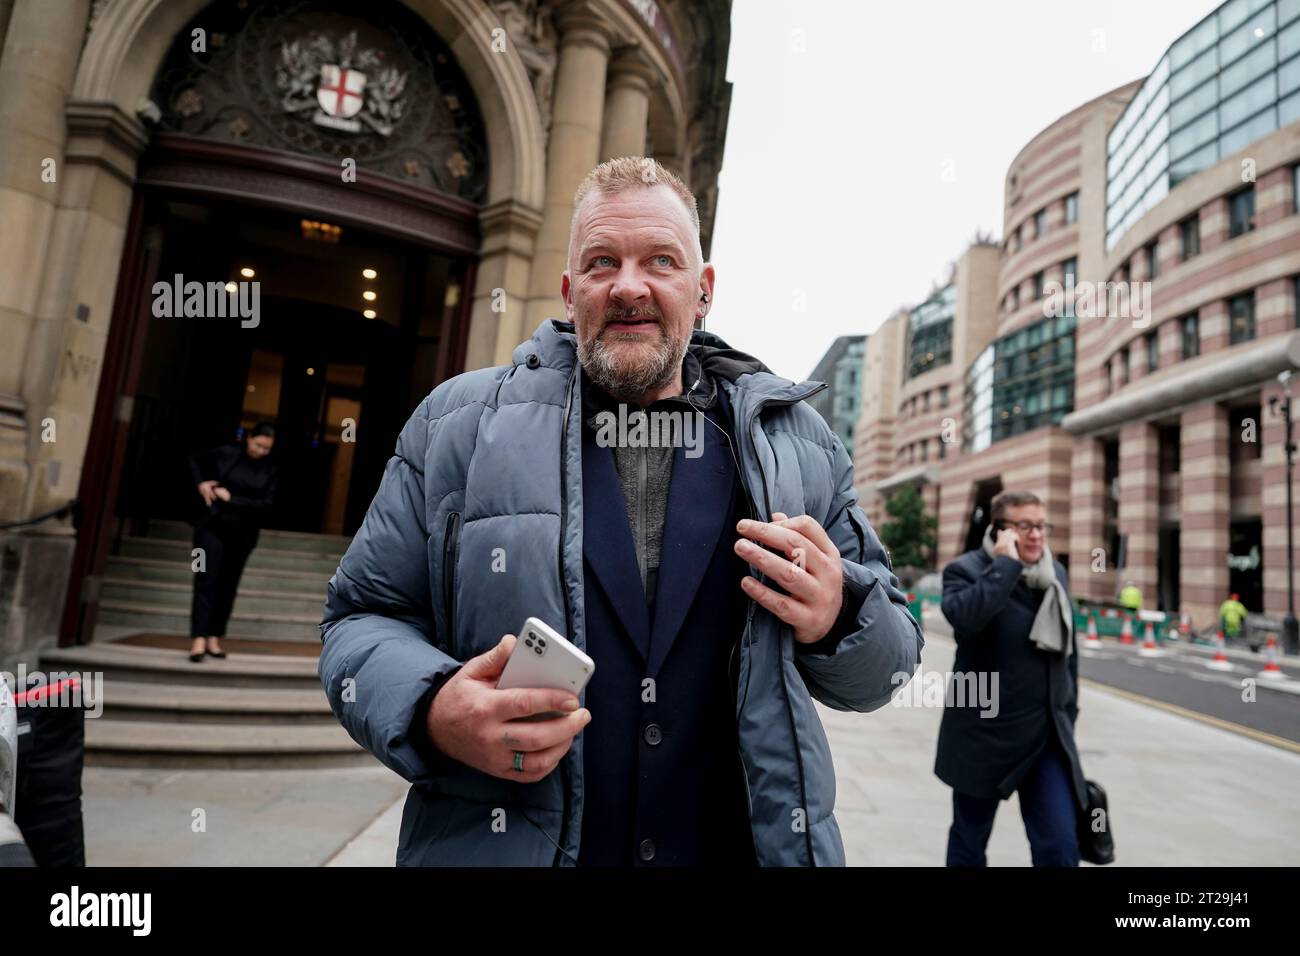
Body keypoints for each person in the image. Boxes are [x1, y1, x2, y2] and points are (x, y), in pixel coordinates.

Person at [319, 157, 924, 866]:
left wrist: (840, 611)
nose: (629, 286)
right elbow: (359, 620)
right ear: (571, 291)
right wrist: (430, 708)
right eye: (603, 262)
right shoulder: (456, 425)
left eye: (660, 261)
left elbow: (891, 663)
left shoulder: (796, 445)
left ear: (702, 292)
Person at [935, 491, 1087, 866]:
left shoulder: (1056, 575)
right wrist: (1005, 566)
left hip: (1045, 739)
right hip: (983, 738)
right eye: (1024, 526)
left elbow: (1069, 654)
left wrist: (1069, 711)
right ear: (1001, 531)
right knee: (969, 843)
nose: (1036, 535)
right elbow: (967, 620)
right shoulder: (966, 571)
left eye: (1040, 525)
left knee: (1060, 846)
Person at [187, 424, 277, 662]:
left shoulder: (269, 469)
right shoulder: (228, 453)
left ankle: (214, 637)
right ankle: (198, 639)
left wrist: (232, 499)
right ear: (249, 439)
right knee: (206, 579)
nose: (261, 451)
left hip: (243, 534)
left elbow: (265, 504)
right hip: (212, 527)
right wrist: (201, 484)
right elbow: (194, 461)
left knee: (228, 585)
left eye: (267, 448)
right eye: (258, 444)